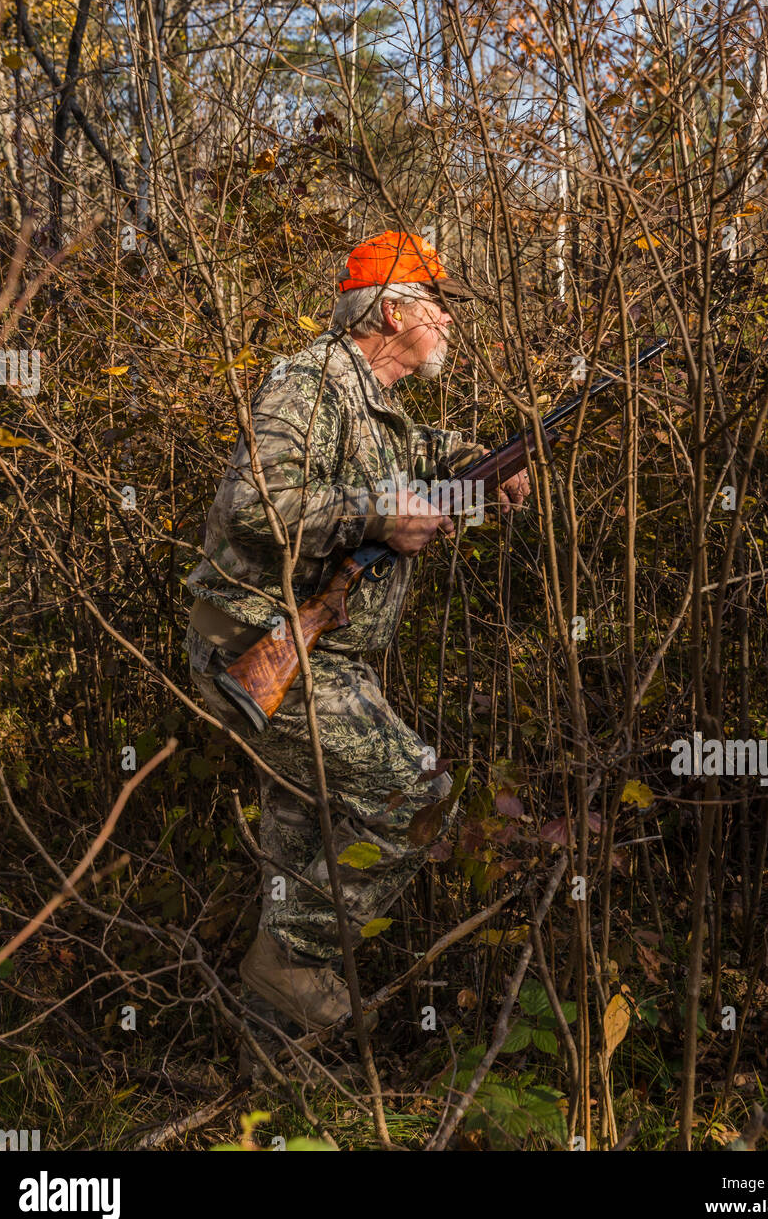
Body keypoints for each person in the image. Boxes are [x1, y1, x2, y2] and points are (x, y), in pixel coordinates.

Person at [185, 231, 530, 1044]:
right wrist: (378, 513)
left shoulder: (375, 403)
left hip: (320, 656)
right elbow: (249, 507)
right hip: (263, 647)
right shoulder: (310, 383)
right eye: (437, 303)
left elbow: (415, 452)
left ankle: (265, 1068)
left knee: (297, 840)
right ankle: (289, 961)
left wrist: (491, 460)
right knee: (418, 797)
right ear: (390, 310)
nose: (449, 319)